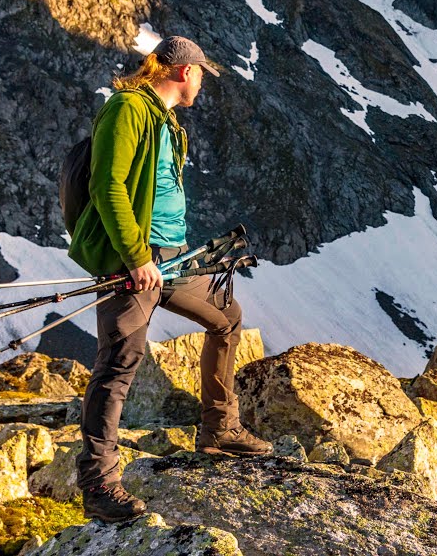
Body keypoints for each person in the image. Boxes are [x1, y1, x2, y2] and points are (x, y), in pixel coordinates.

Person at [66, 35, 272, 523]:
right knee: (119, 362)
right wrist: (135, 256)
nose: (203, 82)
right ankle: (98, 484)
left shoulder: (164, 120)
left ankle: (220, 428)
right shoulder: (127, 109)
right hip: (132, 262)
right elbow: (107, 183)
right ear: (183, 72)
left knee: (226, 317)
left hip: (172, 260)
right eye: (201, 73)